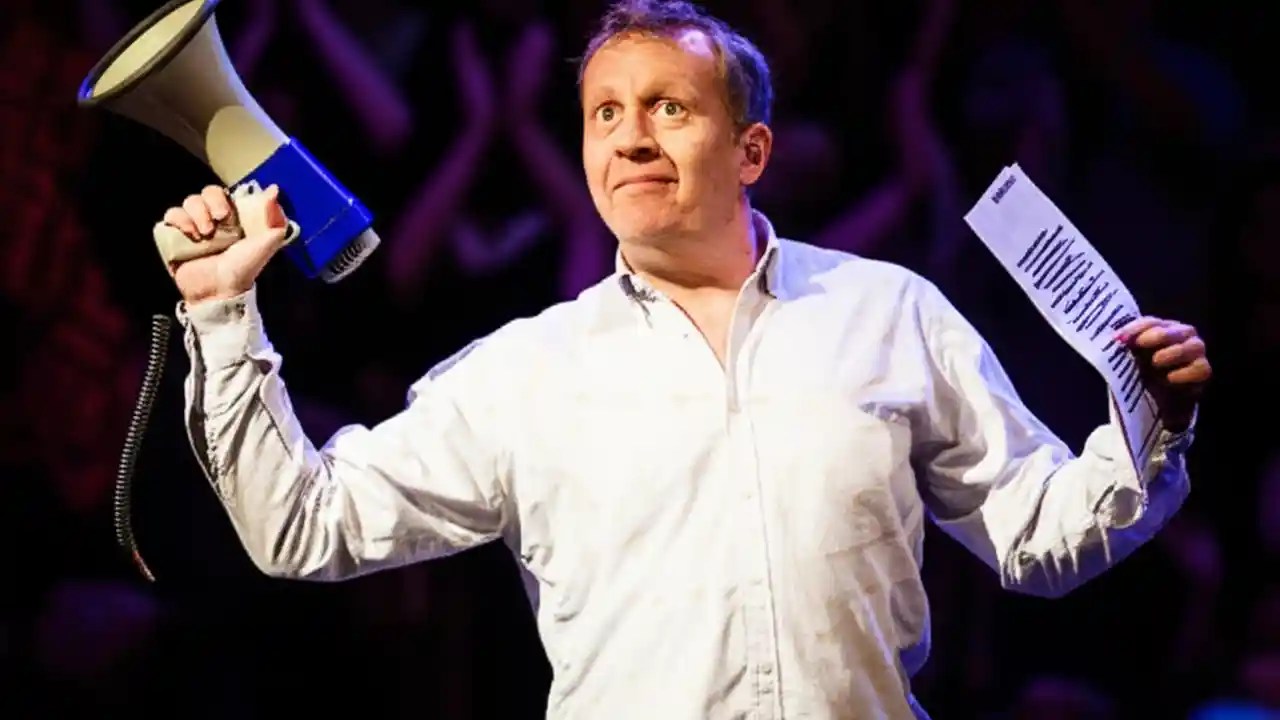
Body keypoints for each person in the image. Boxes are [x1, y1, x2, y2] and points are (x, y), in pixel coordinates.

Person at [155, 1, 1212, 717]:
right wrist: (219, 313)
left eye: (668, 107)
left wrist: (1144, 425)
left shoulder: (886, 313)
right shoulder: (530, 372)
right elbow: (303, 527)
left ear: (750, 150)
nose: (628, 138)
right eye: (603, 114)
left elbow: (1038, 534)